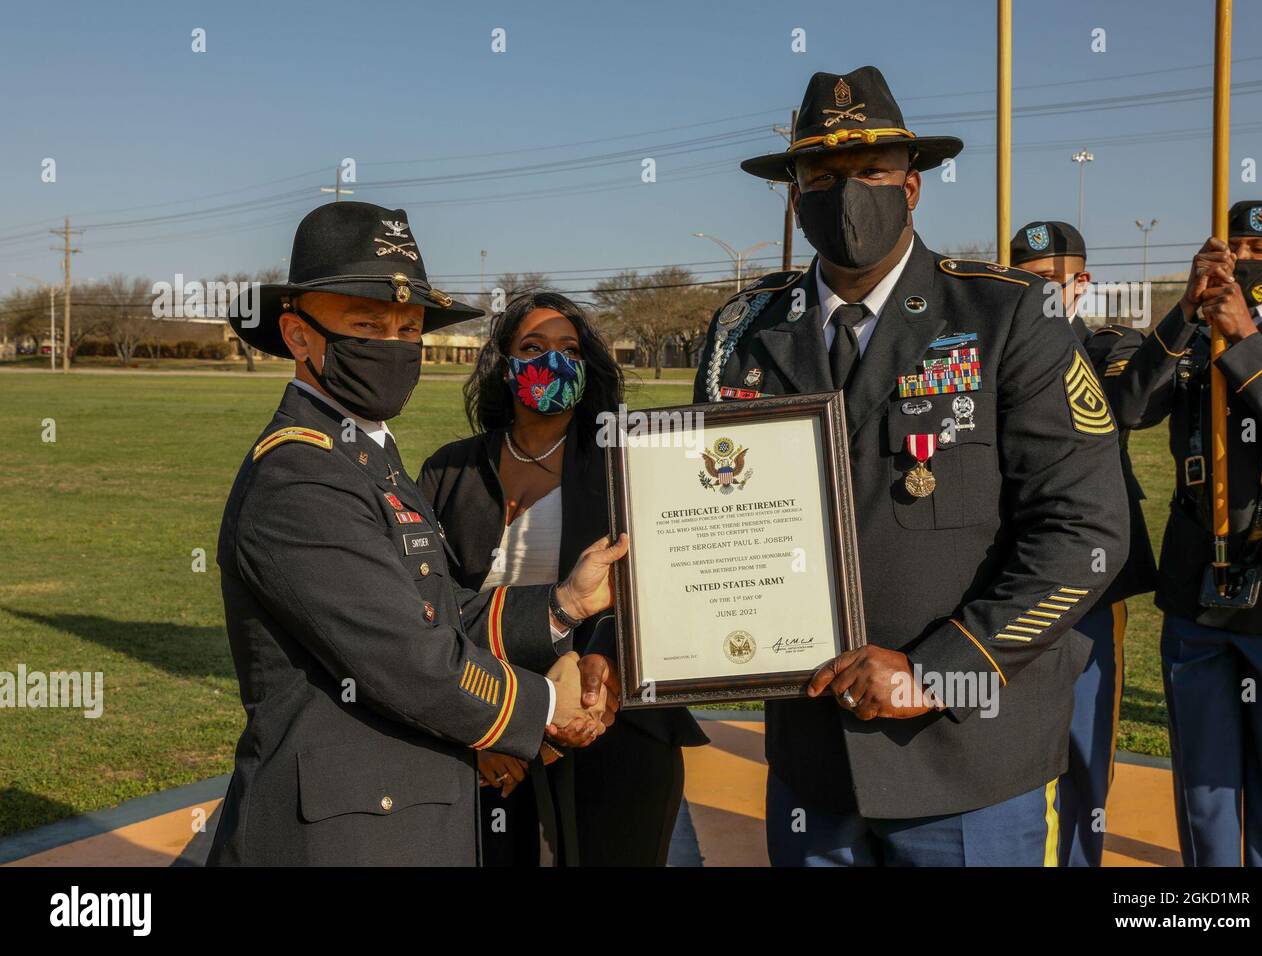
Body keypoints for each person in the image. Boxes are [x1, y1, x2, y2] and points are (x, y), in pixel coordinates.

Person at [694, 66, 1128, 867]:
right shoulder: (742, 333)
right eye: (822, 175)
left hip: (967, 757)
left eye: (871, 172)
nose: (846, 192)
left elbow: (1086, 534)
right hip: (813, 761)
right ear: (795, 195)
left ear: (913, 186)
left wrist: (940, 670)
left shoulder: (1008, 315)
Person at [209, 201, 627, 866]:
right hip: (343, 837)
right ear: (298, 335)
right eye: (367, 324)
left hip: (400, 819)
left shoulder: (365, 455)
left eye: (409, 328)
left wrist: (563, 605)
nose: (396, 345)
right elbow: (408, 658)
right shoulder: (301, 477)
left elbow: (433, 611)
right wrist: (547, 701)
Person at [419, 291, 708, 866]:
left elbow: (672, 586)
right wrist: (479, 732)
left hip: (611, 716)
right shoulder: (449, 469)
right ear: (504, 365)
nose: (553, 362)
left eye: (568, 350)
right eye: (532, 347)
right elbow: (426, 610)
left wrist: (603, 667)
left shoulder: (627, 459)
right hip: (490, 728)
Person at [1106, 200, 1262, 866]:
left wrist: (1244, 337)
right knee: (1202, 789)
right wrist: (1187, 310)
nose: (1242, 260)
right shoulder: (1187, 333)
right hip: (1196, 587)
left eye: (1259, 250)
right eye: (1231, 247)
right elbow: (1127, 408)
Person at [1009, 221, 1159, 866]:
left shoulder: (1110, 343)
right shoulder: (989, 346)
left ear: (1081, 284)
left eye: (1047, 281)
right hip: (1011, 582)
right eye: (1024, 277)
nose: (1033, 290)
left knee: (1085, 754)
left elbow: (1127, 405)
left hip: (1093, 587)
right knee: (1017, 756)